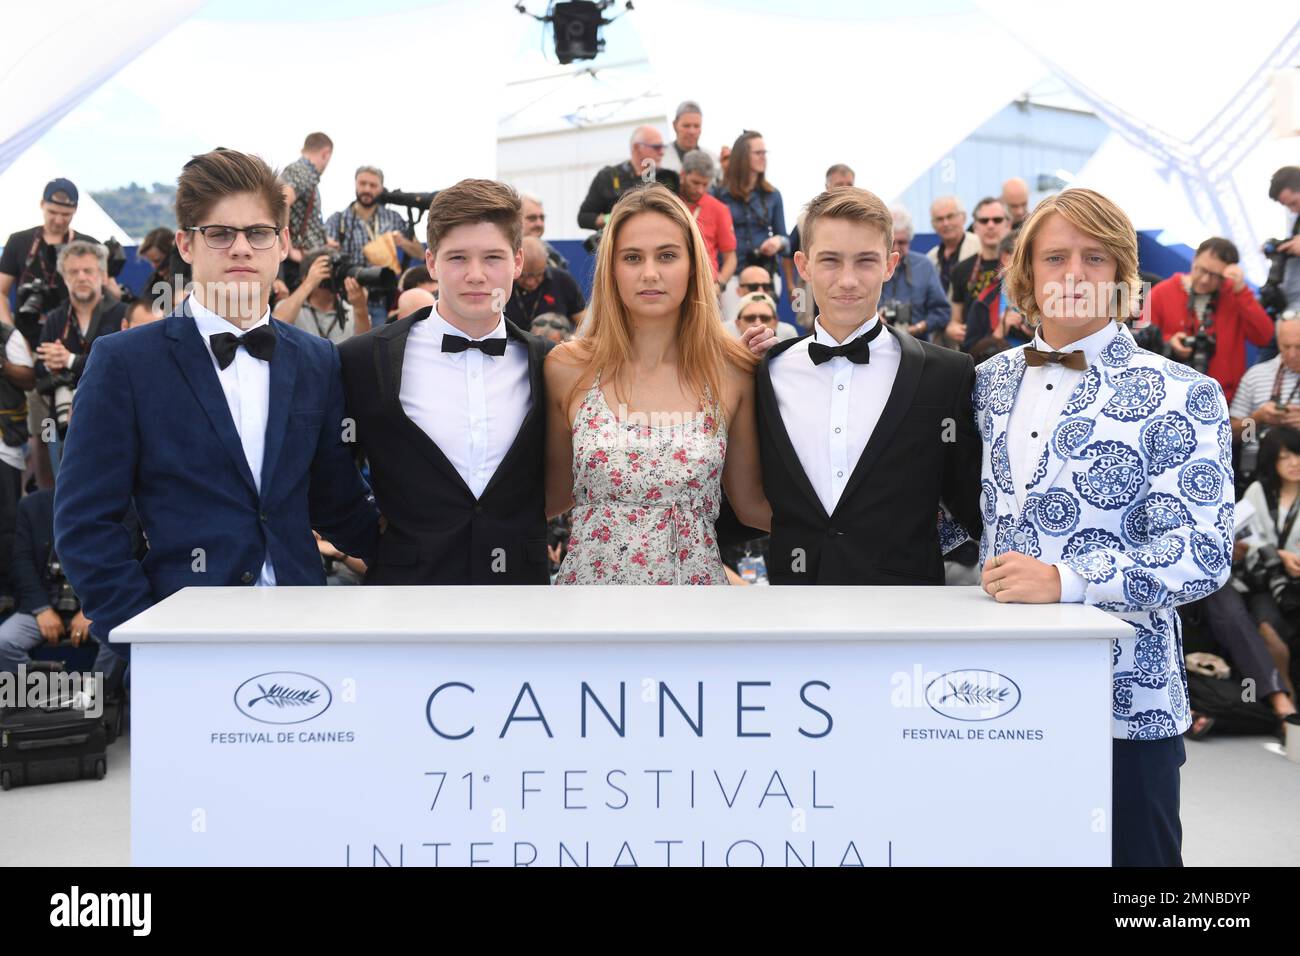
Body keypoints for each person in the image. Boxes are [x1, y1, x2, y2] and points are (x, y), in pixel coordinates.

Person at [973, 187, 1234, 867]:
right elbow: (957, 517)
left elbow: (1203, 553)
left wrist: (1066, 580)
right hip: (994, 693)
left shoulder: (1186, 393)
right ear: (1027, 273)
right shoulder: (988, 382)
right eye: (1055, 257)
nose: (1074, 274)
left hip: (1126, 697)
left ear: (1122, 275)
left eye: (1094, 257)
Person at [54, 148, 380, 659]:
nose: (241, 249)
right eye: (220, 234)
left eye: (258, 233)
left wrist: (425, 554)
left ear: (284, 242)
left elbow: (336, 498)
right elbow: (84, 522)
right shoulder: (125, 361)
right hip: (184, 643)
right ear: (186, 243)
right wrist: (144, 639)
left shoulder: (317, 360)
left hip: (306, 634)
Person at [746, 187, 982, 585]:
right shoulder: (764, 371)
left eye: (866, 261)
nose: (848, 280)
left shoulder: (948, 373)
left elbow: (971, 504)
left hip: (908, 612)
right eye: (831, 261)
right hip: (794, 603)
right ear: (802, 265)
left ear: (891, 264)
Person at [544, 184, 769, 585]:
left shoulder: (733, 370)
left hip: (694, 616)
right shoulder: (567, 367)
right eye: (632, 257)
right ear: (612, 269)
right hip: (590, 614)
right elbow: (550, 496)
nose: (650, 273)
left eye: (667, 256)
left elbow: (752, 504)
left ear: (692, 265)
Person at [338, 178, 551, 585]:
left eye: (492, 257)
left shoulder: (550, 364)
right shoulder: (364, 359)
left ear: (518, 261)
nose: (475, 275)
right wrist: (378, 545)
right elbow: (332, 475)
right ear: (432, 262)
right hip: (404, 598)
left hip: (521, 597)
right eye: (457, 258)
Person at [1144, 237, 1274, 404]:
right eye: (1201, 270)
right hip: (1172, 395)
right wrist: (1168, 344)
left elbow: (1264, 336)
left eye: (1214, 275)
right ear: (1194, 260)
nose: (1205, 280)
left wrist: (1241, 291)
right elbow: (1141, 343)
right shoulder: (1161, 292)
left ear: (1227, 274)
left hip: (1223, 398)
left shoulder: (1235, 295)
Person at [35, 241, 127, 442]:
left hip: (114, 422)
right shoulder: (55, 319)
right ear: (64, 278)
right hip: (61, 426)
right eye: (73, 272)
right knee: (59, 475)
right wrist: (50, 364)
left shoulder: (123, 313)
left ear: (103, 276)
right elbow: (38, 370)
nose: (81, 277)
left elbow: (124, 366)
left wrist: (69, 361)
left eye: (88, 270)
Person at [324, 165, 424, 327]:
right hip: (348, 298)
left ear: (381, 188)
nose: (367, 189)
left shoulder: (393, 218)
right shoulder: (338, 220)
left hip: (383, 299)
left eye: (373, 185)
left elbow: (420, 253)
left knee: (380, 349)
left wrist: (402, 242)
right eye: (362, 184)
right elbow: (324, 255)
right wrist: (330, 249)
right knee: (350, 348)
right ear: (355, 184)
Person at [1239, 426, 1300, 672]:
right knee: (1268, 626)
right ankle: (1284, 698)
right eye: (1283, 457)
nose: (1293, 463)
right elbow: (1241, 535)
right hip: (1267, 581)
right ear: (1271, 460)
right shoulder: (1258, 491)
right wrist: (1279, 556)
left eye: (1296, 454)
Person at [715, 131, 789, 317]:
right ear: (742, 157)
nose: (764, 158)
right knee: (733, 329)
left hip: (765, 274)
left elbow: (786, 241)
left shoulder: (773, 194)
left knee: (766, 327)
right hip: (731, 276)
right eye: (758, 153)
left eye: (765, 153)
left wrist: (778, 242)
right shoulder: (718, 194)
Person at [577, 126, 678, 235]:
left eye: (663, 147)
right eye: (656, 147)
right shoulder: (608, 177)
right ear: (637, 148)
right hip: (619, 245)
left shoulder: (668, 177)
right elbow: (583, 218)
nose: (662, 152)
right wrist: (611, 217)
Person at [880, 205, 951, 342]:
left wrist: (919, 327)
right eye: (892, 243)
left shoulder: (924, 266)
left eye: (902, 243)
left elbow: (942, 311)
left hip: (917, 343)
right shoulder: (871, 265)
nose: (896, 249)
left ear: (910, 240)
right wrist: (874, 318)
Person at [272, 247, 372, 343]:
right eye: (324, 271)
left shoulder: (351, 311)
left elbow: (365, 349)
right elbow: (274, 329)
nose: (330, 277)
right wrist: (308, 284)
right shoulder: (292, 308)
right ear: (305, 277)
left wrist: (360, 308)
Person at [945, 196, 1012, 343]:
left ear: (1009, 225)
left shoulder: (1021, 267)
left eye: (997, 220)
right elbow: (955, 320)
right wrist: (952, 328)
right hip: (975, 352)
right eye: (983, 220)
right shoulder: (960, 270)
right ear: (975, 227)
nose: (990, 225)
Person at [1229, 313, 1300, 441]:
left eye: (1299, 347)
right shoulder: (1256, 375)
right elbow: (1233, 438)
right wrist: (1258, 419)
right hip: (1258, 457)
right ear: (1278, 342)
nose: (1292, 355)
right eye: (1286, 347)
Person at [960, 234, 1031, 352]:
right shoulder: (985, 300)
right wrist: (997, 334)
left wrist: (1034, 334)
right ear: (1005, 258)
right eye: (1024, 253)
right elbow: (969, 353)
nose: (1030, 260)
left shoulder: (1047, 294)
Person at [677, 150, 735, 290]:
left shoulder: (719, 209)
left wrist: (719, 284)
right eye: (695, 183)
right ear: (683, 175)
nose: (700, 190)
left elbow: (730, 258)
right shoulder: (668, 203)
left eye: (705, 184)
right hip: (674, 282)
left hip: (706, 285)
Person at [503, 237, 586, 331]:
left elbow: (583, 323)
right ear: (515, 264)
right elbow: (489, 322)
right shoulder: (501, 285)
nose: (531, 282)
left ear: (546, 264)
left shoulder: (564, 281)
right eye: (523, 275)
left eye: (538, 274)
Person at [281, 132, 333, 271]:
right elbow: (282, 201)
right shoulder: (303, 170)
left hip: (305, 258)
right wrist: (288, 248)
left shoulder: (303, 172)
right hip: (299, 263)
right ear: (325, 154)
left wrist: (324, 239)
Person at [1261, 165, 1300, 314]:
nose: (1292, 210)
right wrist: (1277, 247)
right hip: (1290, 300)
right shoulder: (1295, 219)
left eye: (1293, 203)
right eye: (1287, 206)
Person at [926, 195, 980, 295]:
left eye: (950, 216)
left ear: (963, 217)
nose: (945, 223)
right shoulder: (930, 258)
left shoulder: (980, 247)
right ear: (933, 225)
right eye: (939, 219)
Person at [656, 100, 721, 182]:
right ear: (674, 125)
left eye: (696, 126)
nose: (692, 131)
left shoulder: (714, 159)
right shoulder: (660, 157)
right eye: (686, 126)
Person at [519, 192, 569, 272]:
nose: (539, 224)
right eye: (532, 218)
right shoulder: (508, 255)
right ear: (517, 220)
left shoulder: (554, 258)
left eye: (542, 218)